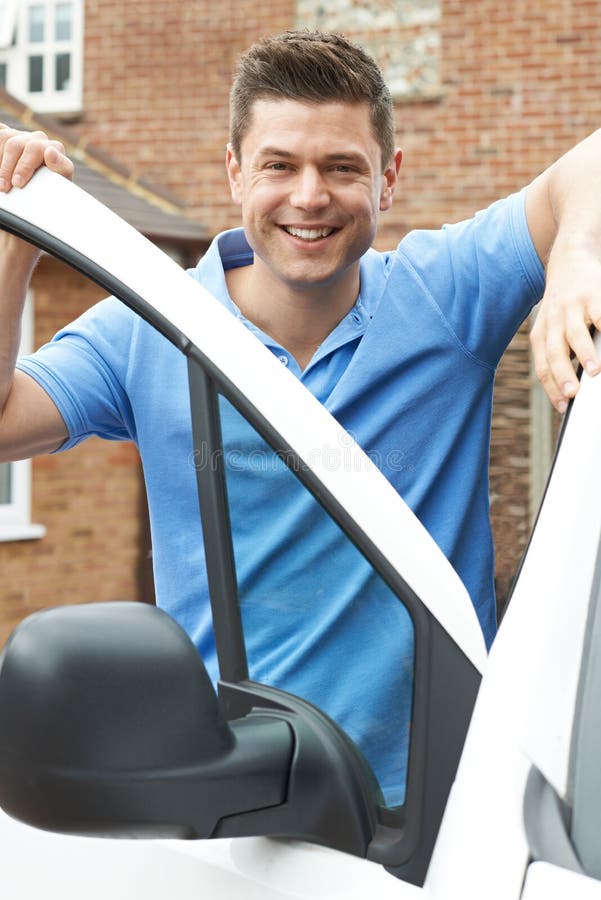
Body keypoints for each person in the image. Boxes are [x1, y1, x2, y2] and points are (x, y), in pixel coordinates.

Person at [0, 30, 600, 804]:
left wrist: (574, 258)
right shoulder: (149, 326)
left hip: (441, 814)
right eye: (278, 165)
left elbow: (588, 165)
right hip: (231, 801)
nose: (310, 196)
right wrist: (17, 243)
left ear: (388, 178)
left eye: (341, 167)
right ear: (234, 171)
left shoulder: (444, 296)